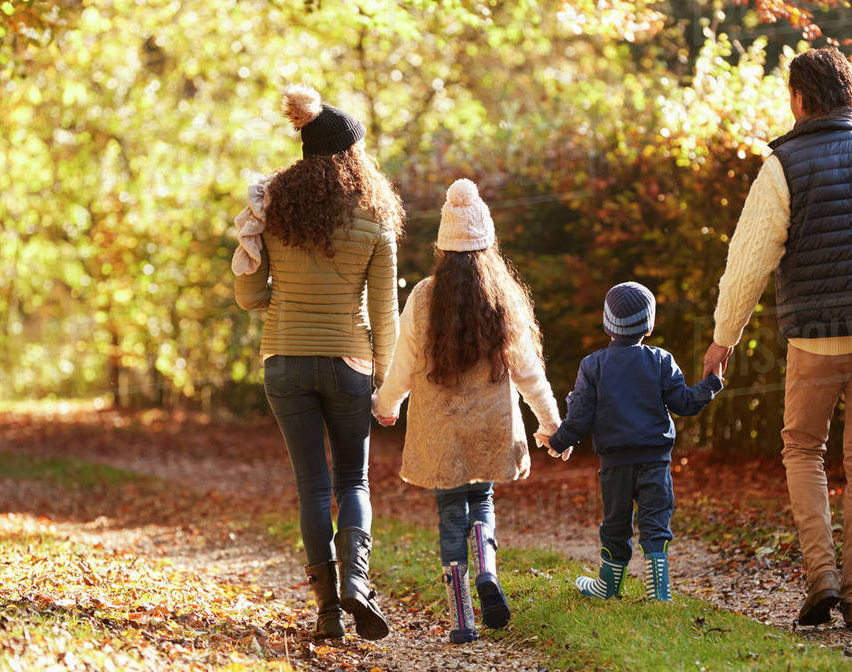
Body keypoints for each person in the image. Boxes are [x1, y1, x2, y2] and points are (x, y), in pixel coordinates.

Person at [702, 48, 852, 630]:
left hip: (818, 337)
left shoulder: (783, 166)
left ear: (798, 100)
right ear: (849, 98)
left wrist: (722, 339)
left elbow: (747, 262)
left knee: (802, 449)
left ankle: (822, 579)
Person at [233, 85, 404, 642]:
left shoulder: (274, 209)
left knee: (312, 487)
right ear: (351, 155)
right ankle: (357, 581)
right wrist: (387, 385)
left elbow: (251, 298)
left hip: (284, 359)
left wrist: (251, 253)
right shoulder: (375, 214)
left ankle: (328, 612)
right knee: (353, 479)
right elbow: (385, 314)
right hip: (348, 362)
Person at [371, 179, 562, 644]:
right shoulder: (502, 299)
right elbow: (529, 372)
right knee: (483, 501)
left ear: (443, 244)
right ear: (486, 242)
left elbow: (403, 363)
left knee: (449, 511)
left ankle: (462, 619)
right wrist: (551, 423)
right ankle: (487, 572)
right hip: (491, 425)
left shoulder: (422, 298)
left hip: (441, 428)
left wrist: (387, 404)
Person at [544, 282, 724, 602]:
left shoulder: (593, 365)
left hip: (615, 465)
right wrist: (711, 384)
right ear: (649, 324)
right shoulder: (661, 361)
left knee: (615, 523)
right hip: (656, 460)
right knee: (656, 522)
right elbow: (684, 403)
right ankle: (659, 590)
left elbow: (580, 418)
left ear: (607, 323)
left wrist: (558, 442)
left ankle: (609, 586)